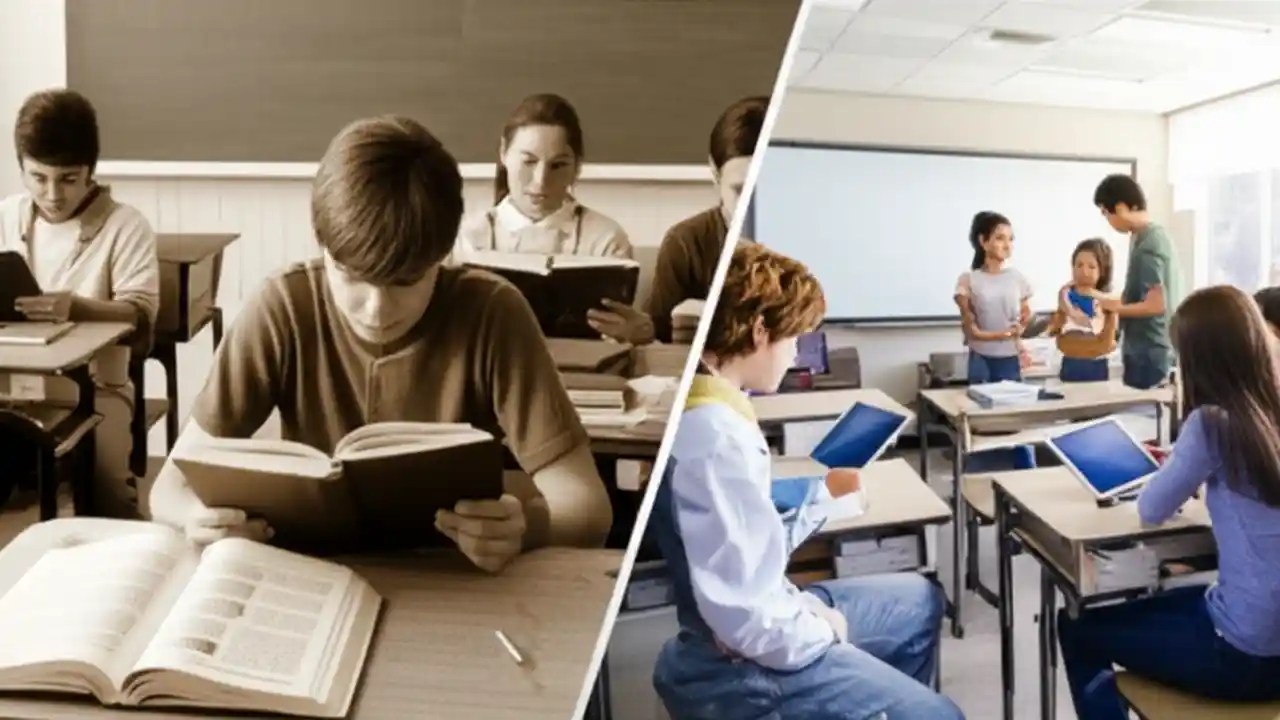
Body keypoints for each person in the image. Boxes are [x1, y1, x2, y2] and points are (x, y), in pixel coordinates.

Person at [148, 115, 612, 572]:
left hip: (451, 580)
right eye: (351, 277)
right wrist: (197, 519)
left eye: (406, 282)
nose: (376, 309)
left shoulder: (494, 312)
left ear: (442, 256)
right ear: (323, 246)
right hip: (313, 577)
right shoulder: (283, 306)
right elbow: (168, 490)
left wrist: (526, 528)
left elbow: (589, 507)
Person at [650, 243, 963, 720]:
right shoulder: (716, 436)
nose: (797, 354)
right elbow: (748, 624)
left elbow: (747, 538)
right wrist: (827, 627)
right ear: (760, 331)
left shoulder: (713, 403)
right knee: (943, 716)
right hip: (741, 665)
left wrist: (823, 500)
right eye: (794, 338)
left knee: (920, 599)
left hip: (757, 616)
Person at [1057, 285, 1280, 719]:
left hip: (1245, 659)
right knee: (1186, 595)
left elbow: (1151, 510)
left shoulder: (1211, 423)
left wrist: (1178, 467)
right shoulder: (1265, 412)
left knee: (1078, 626)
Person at [0, 89, 159, 515]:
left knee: (107, 500)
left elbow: (141, 319)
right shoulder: (7, 215)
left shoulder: (126, 225)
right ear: (21, 169)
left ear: (90, 170)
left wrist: (77, 307)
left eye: (68, 179)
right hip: (10, 388)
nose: (53, 194)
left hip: (95, 388)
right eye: (38, 178)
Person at [452, 93, 643, 340]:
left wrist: (632, 334)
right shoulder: (466, 237)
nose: (541, 181)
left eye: (558, 165)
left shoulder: (605, 239)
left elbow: (620, 337)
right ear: (504, 153)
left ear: (577, 166)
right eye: (529, 162)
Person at [591, 96, 768, 345]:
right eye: (740, 190)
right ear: (715, 174)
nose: (751, 207)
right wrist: (644, 332)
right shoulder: (686, 242)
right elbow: (660, 337)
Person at [954, 210, 1035, 471]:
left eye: (1010, 239)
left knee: (1014, 420)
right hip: (982, 359)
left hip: (1010, 358)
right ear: (983, 241)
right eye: (1000, 238)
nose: (1007, 245)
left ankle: (1023, 473)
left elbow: (1026, 314)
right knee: (981, 421)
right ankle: (978, 476)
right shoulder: (968, 280)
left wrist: (1022, 326)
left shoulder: (1017, 278)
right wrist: (1001, 335)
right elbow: (971, 329)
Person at [1092, 174, 1181, 389]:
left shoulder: (1151, 243)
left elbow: (1156, 305)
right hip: (1143, 347)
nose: (1108, 221)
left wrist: (1113, 309)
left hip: (1151, 351)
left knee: (1143, 406)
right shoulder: (1141, 237)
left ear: (1120, 208)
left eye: (1106, 213)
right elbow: (1137, 295)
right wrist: (1103, 300)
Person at [1047, 238, 1119, 382]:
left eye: (1091, 267)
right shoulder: (1066, 297)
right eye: (1079, 265)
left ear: (1102, 271)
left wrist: (1093, 294)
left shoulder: (1107, 302)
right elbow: (1056, 332)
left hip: (1096, 365)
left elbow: (1107, 341)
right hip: (1070, 364)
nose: (1084, 271)